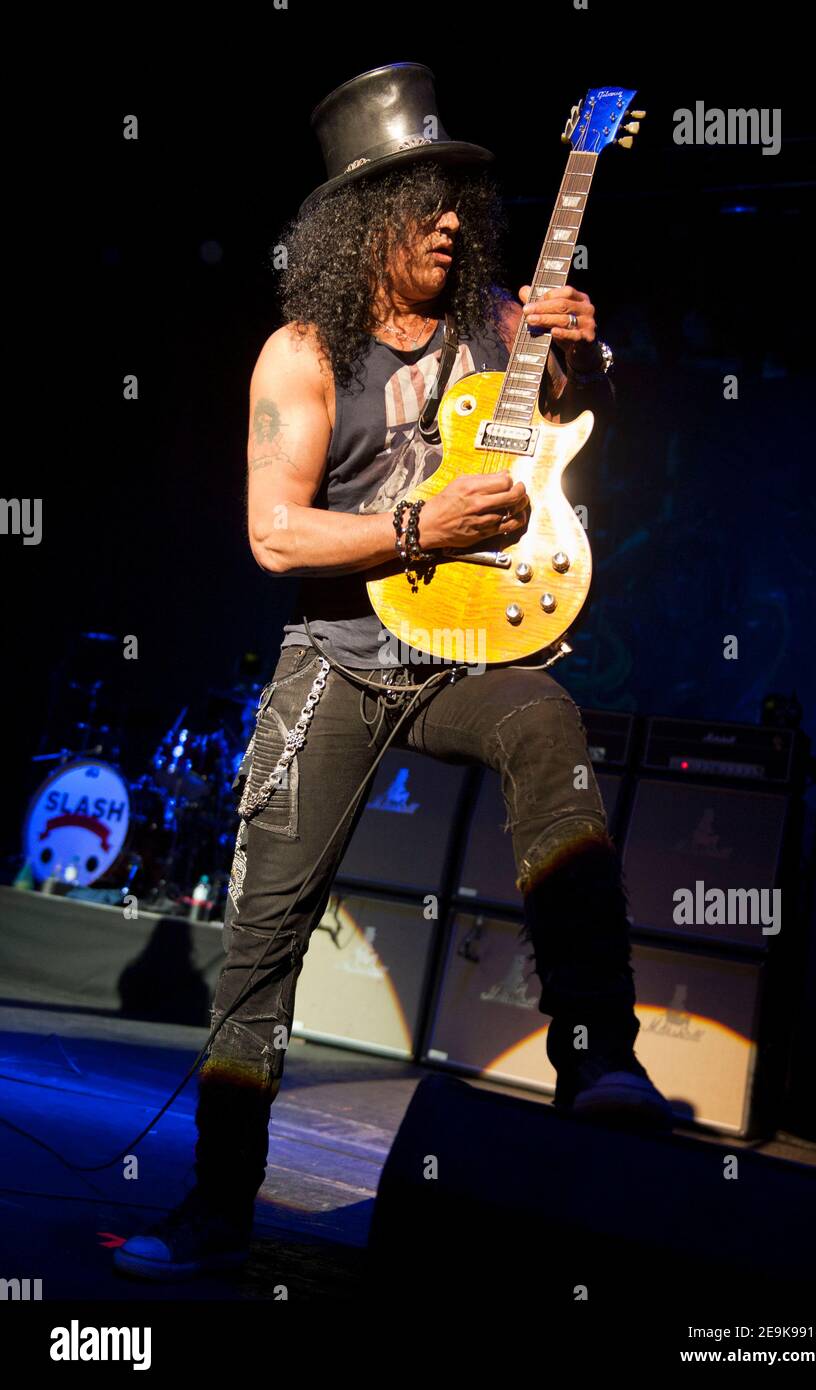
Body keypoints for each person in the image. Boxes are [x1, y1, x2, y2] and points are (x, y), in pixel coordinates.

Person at [115, 62, 672, 1283]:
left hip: (469, 652)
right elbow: (275, 535)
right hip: (340, 659)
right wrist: (422, 529)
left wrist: (587, 359)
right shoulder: (302, 354)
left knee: (548, 724)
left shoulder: (495, 326)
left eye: (460, 197)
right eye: (420, 199)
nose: (450, 219)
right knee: (263, 932)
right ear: (358, 221)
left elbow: (556, 444)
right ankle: (217, 1202)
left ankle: (599, 1055)